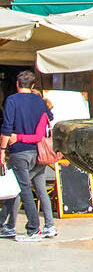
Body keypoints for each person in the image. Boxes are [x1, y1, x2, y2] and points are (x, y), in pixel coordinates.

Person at [0, 70, 56, 239]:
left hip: (19, 151)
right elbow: (50, 116)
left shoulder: (12, 100)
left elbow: (7, 126)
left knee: (23, 189)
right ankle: (7, 225)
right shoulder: (39, 101)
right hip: (35, 151)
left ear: (17, 84)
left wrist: (2, 151)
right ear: (32, 86)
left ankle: (33, 227)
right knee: (26, 188)